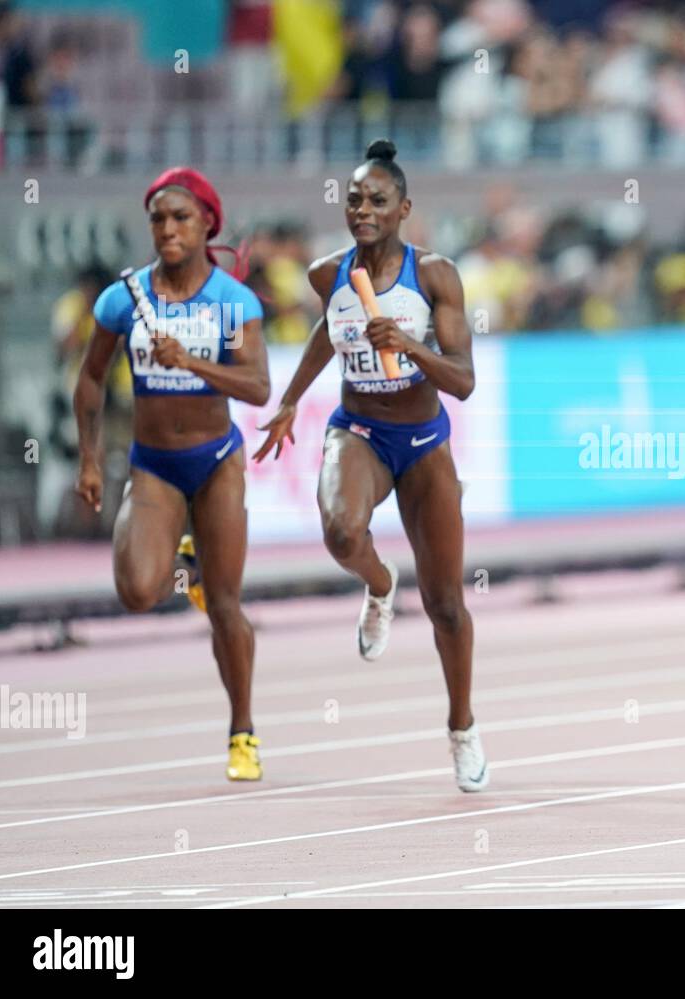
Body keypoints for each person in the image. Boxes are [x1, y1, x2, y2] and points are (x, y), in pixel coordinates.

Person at [254, 139, 488, 792]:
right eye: (353, 198)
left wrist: (408, 343)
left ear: (403, 208)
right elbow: (329, 331)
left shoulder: (435, 274)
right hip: (358, 429)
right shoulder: (327, 274)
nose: (362, 208)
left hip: (422, 444)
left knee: (445, 605)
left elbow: (464, 381)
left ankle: (462, 726)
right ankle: (381, 585)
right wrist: (291, 399)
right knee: (340, 531)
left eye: (376, 200)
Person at [74, 167, 269, 781]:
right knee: (136, 591)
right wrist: (88, 457)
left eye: (180, 217)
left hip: (216, 462)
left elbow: (258, 387)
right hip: (153, 465)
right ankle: (187, 563)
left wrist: (190, 361)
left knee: (227, 606)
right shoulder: (123, 298)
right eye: (157, 218)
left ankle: (242, 730)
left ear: (208, 222)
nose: (167, 228)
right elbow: (90, 378)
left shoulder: (232, 302)